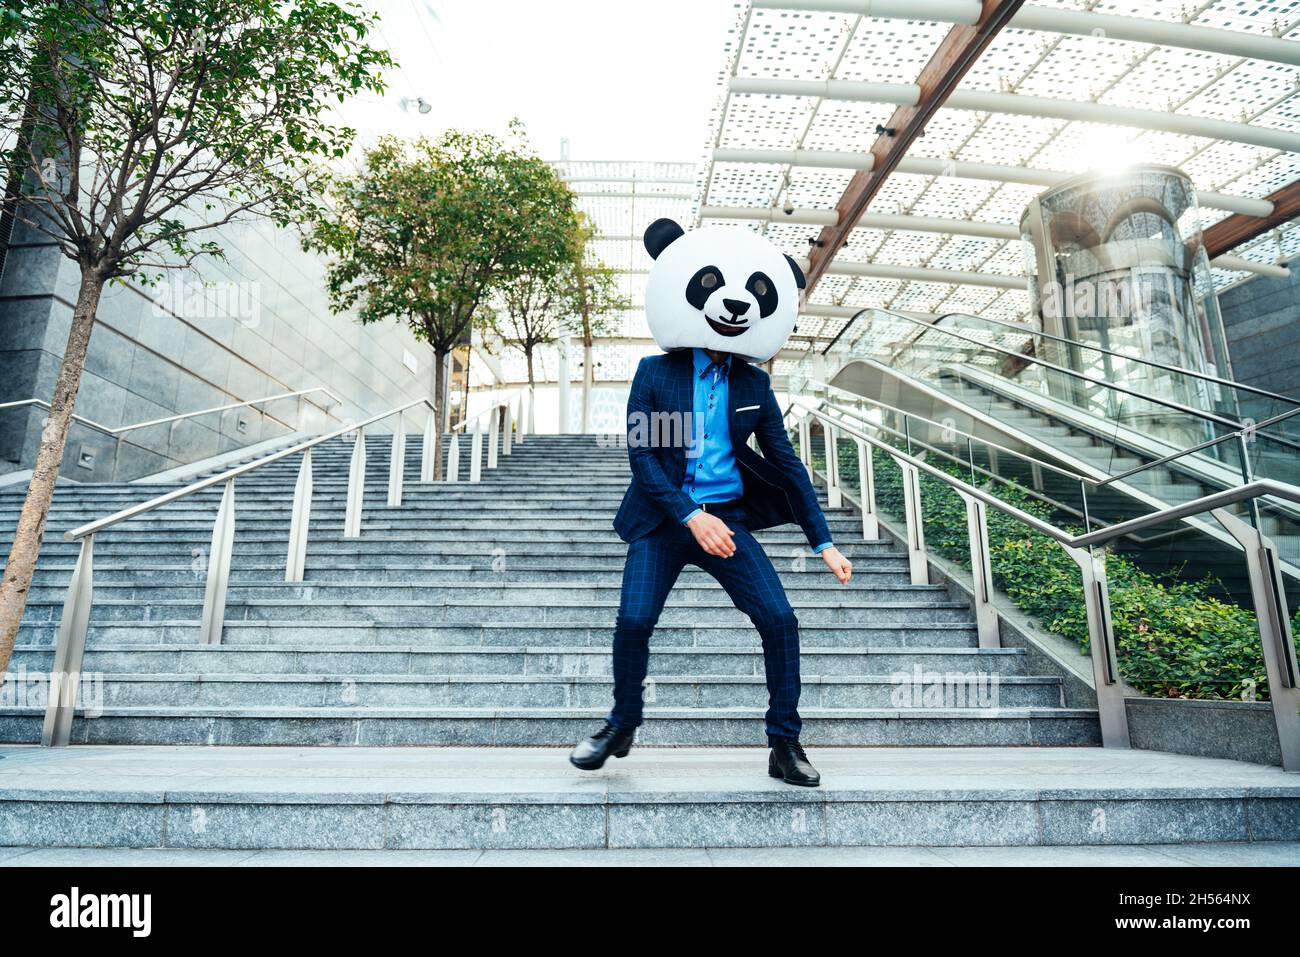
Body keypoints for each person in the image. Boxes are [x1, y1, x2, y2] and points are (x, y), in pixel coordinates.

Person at [569, 218, 853, 787]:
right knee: (633, 620)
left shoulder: (754, 385)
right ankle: (621, 724)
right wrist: (689, 516)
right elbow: (644, 459)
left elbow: (788, 464)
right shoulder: (656, 373)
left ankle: (784, 745)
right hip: (664, 518)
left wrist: (822, 540)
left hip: (727, 521)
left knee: (780, 620)